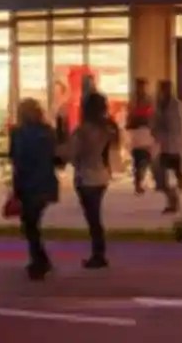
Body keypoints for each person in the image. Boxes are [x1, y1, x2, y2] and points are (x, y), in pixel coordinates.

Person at [8, 98, 60, 280]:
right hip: (46, 182)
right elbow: (56, 158)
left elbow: (17, 161)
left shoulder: (18, 133)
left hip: (29, 184)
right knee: (32, 223)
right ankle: (40, 259)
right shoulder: (48, 132)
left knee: (30, 224)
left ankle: (39, 262)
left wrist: (15, 189)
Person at [68, 91, 119, 269]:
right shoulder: (108, 128)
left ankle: (98, 254)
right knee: (95, 217)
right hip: (102, 175)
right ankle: (98, 252)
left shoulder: (83, 131)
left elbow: (74, 154)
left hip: (86, 176)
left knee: (93, 218)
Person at [152, 79, 182, 214]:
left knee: (164, 172)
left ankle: (174, 199)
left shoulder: (175, 105)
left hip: (174, 146)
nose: (162, 92)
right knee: (159, 175)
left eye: (165, 89)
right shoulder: (159, 105)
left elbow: (176, 126)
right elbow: (156, 123)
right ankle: (173, 197)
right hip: (164, 145)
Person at [125, 78, 156, 194]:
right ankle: (138, 181)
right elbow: (132, 116)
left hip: (144, 131)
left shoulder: (147, 100)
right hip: (138, 132)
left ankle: (140, 181)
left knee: (143, 157)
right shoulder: (136, 101)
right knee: (140, 157)